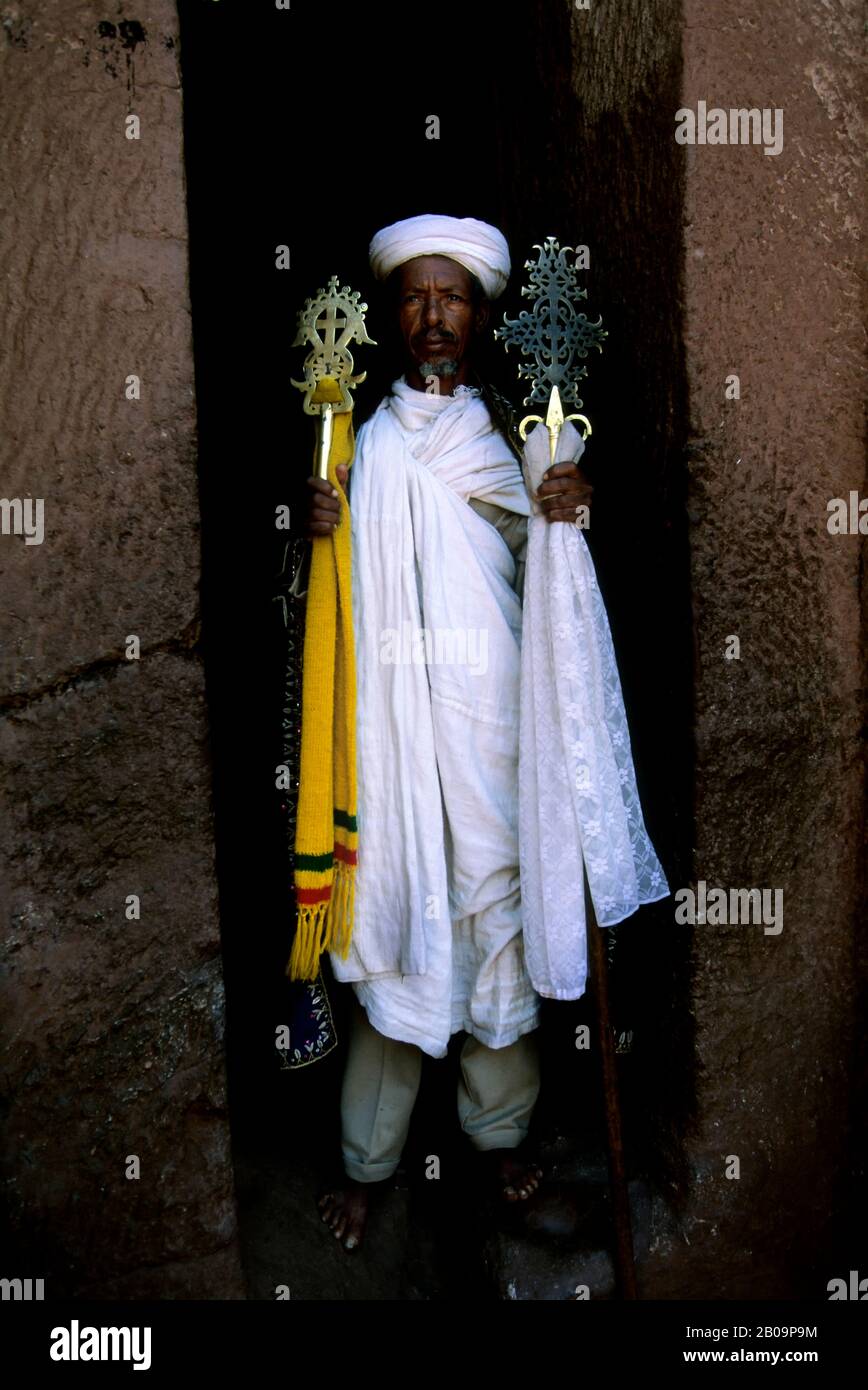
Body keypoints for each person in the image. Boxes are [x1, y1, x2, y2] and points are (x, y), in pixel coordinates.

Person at [304, 215, 593, 1250]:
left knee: (493, 913)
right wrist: (318, 532)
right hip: (391, 741)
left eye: (454, 296)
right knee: (392, 915)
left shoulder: (513, 430)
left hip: (491, 731)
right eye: (416, 297)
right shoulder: (361, 445)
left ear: (482, 314)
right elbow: (316, 616)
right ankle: (368, 1165)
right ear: (392, 312)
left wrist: (573, 504)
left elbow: (558, 580)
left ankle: (500, 1135)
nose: (433, 316)